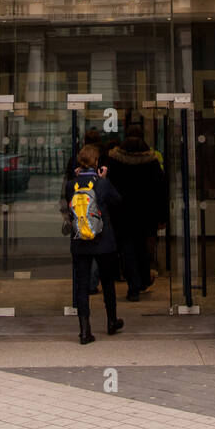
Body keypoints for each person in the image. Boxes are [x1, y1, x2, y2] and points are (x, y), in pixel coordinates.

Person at [63, 143, 124, 344]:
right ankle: (112, 321)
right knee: (107, 282)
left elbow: (69, 205)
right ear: (97, 162)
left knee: (82, 285)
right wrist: (103, 180)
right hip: (103, 240)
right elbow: (118, 202)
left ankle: (84, 331)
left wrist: (77, 177)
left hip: (80, 241)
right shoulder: (102, 184)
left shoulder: (71, 184)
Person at [107, 124, 167, 300]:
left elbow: (109, 187)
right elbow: (160, 191)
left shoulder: (114, 160)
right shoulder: (152, 160)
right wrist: (161, 216)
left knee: (126, 250)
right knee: (143, 249)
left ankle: (133, 286)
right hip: (145, 214)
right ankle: (142, 281)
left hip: (122, 213)